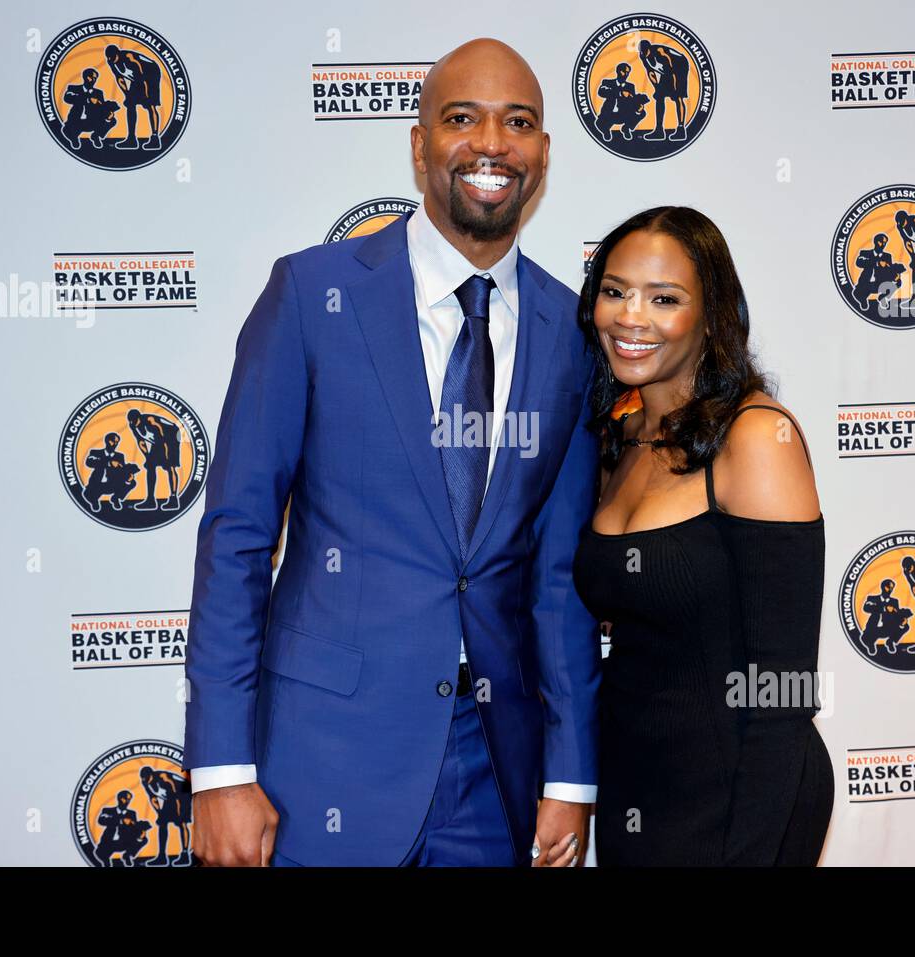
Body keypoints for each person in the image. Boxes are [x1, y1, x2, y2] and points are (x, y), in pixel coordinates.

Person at [183, 38, 600, 867]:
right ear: (418, 146)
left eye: (517, 122)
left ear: (544, 154)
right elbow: (236, 537)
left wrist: (571, 775)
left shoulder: (570, 334)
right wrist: (220, 769)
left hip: (496, 777)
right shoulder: (311, 295)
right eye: (461, 119)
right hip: (318, 763)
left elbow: (559, 581)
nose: (491, 143)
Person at [572, 206, 833, 865]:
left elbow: (783, 691)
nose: (631, 316)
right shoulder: (619, 438)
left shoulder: (755, 439)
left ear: (713, 314)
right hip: (641, 787)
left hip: (744, 791)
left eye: (664, 298)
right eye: (614, 291)